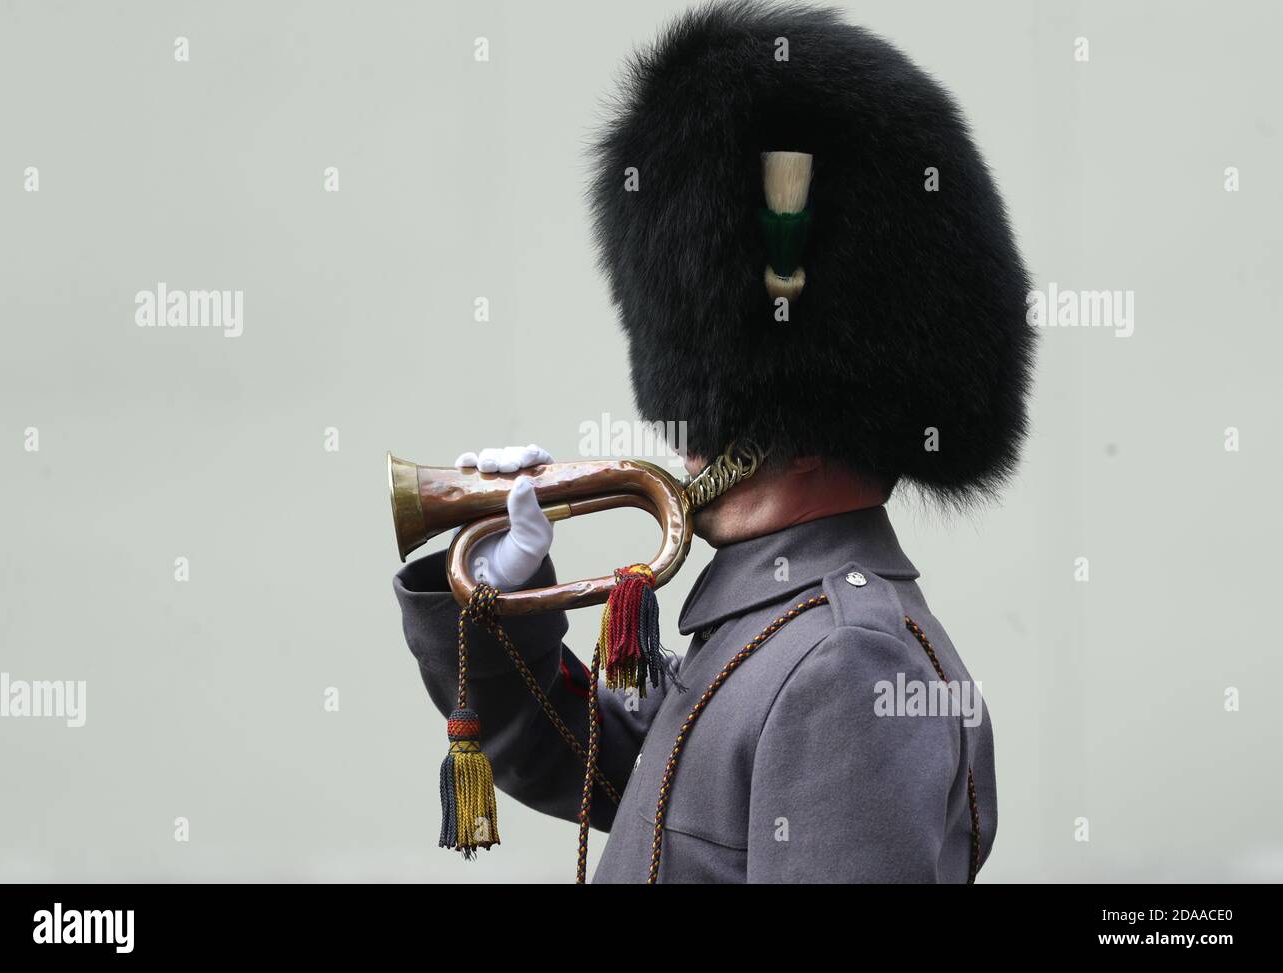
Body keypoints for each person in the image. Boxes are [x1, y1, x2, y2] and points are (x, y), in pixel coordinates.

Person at [395, 0, 1033, 883]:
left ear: (805, 432)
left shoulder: (846, 663)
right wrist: (507, 592)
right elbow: (579, 761)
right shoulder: (766, 633)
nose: (685, 448)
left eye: (714, 421)